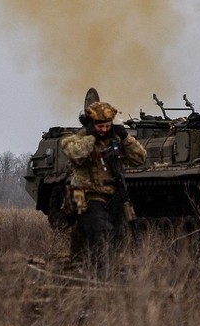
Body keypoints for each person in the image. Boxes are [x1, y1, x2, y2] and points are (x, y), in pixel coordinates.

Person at [59, 100, 147, 278]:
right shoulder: (75, 140)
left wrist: (126, 138)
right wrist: (90, 137)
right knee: (100, 232)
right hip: (88, 196)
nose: (104, 130)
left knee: (118, 235)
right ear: (91, 124)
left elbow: (140, 158)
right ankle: (100, 276)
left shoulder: (116, 140)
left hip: (114, 197)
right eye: (99, 126)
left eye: (107, 126)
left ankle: (104, 271)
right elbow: (76, 154)